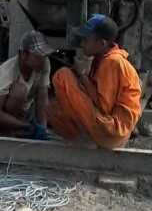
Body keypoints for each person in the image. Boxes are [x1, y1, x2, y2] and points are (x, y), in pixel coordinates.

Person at [47, 14, 141, 149]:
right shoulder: (103, 58)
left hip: (111, 130)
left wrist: (81, 76)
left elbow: (103, 107)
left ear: (101, 44)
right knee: (52, 110)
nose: (82, 43)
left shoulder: (112, 62)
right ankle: (84, 137)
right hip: (111, 129)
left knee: (63, 76)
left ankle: (86, 140)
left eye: (86, 40)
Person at [0, 30, 55, 139]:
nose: (42, 60)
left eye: (44, 56)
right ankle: (7, 132)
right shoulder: (8, 71)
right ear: (23, 54)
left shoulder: (44, 65)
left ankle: (19, 129)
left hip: (23, 112)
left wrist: (42, 127)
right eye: (38, 56)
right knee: (19, 90)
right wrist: (27, 127)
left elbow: (42, 98)